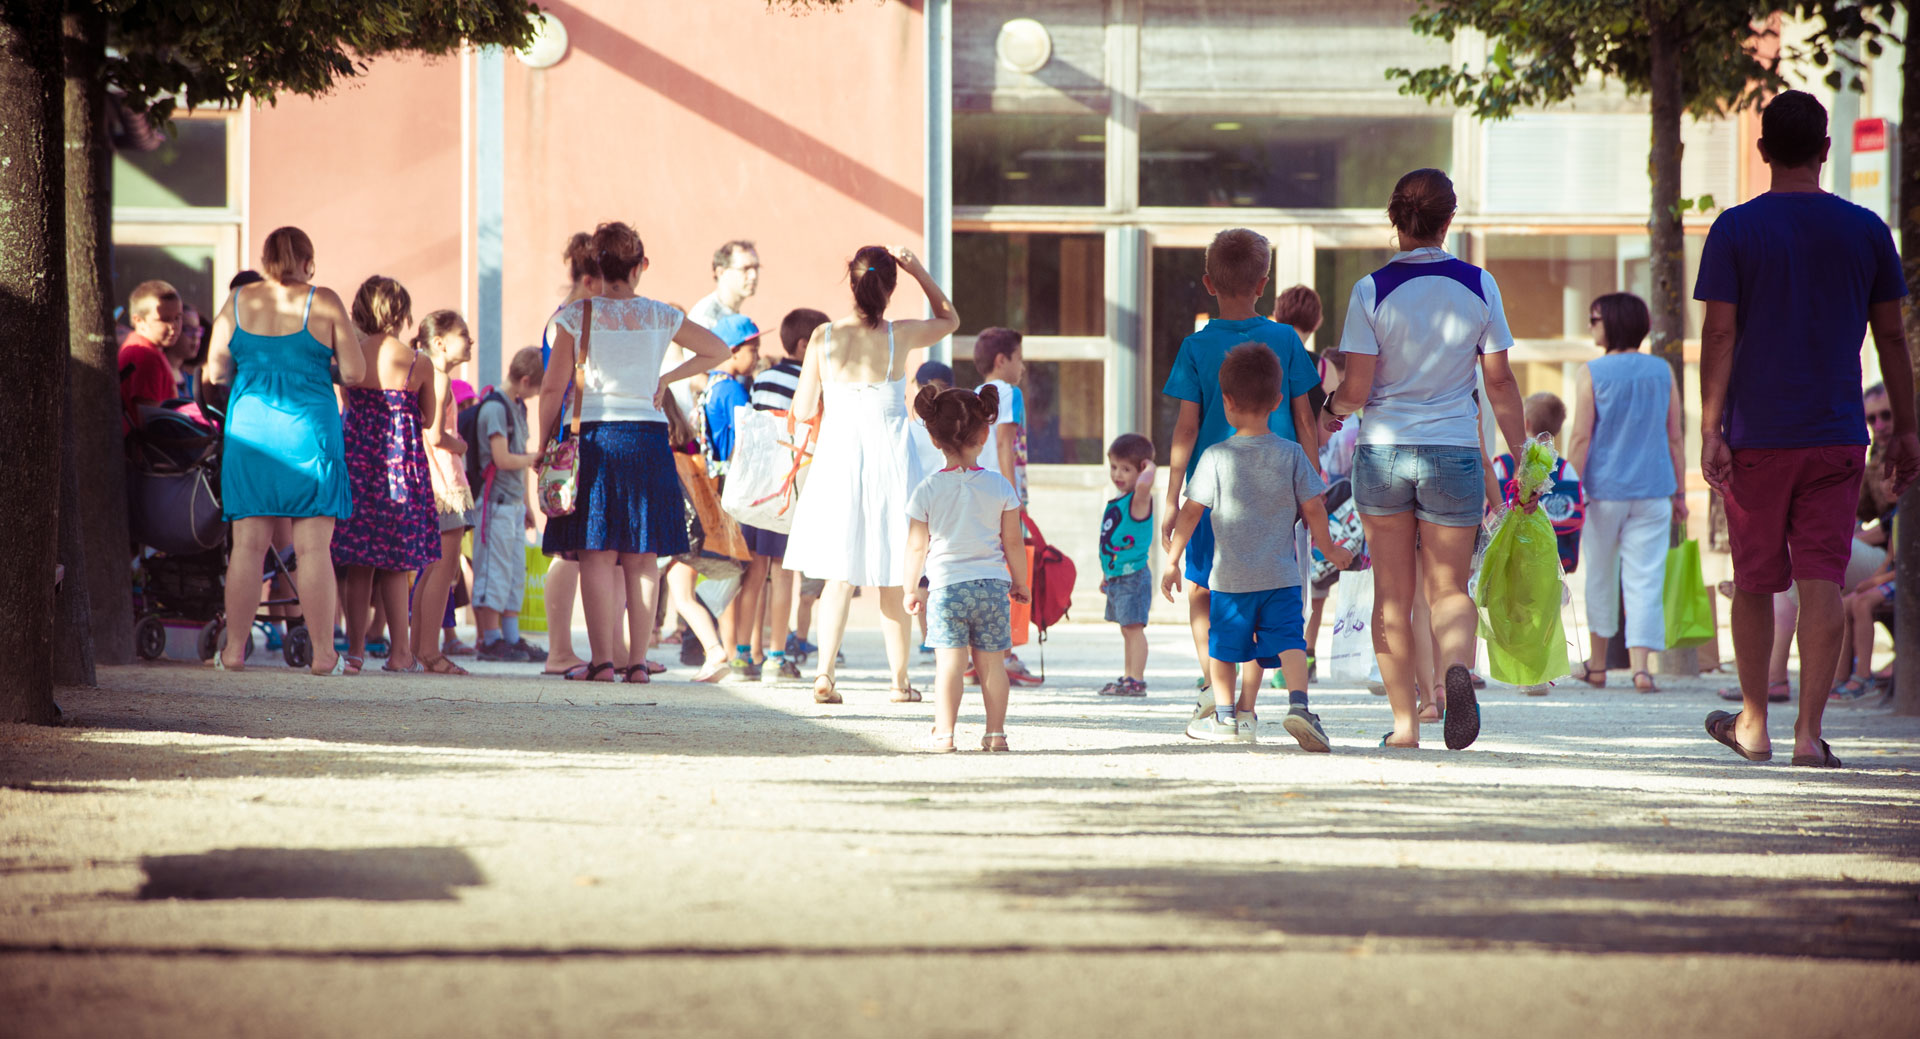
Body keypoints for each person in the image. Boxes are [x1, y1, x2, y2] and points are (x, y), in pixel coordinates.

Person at [1697, 90, 1920, 768]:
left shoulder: (1734, 230)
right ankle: (1809, 735)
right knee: (1821, 578)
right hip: (1836, 433)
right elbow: (1891, 337)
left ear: (1762, 151)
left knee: (1757, 580)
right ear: (1826, 150)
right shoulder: (1867, 230)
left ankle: (1756, 723)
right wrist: (1906, 430)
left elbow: (1720, 331)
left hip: (1756, 436)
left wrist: (1711, 426)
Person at [1324, 168, 1529, 752]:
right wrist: (1524, 459)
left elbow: (1357, 391)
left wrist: (1330, 408)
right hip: (1455, 452)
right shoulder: (1479, 284)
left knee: (1392, 593)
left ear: (1395, 220)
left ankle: (1407, 725)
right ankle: (1455, 670)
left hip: (1384, 450)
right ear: (1448, 220)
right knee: (1449, 588)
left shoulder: (1371, 290)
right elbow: (1500, 383)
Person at [538, 222, 731, 683]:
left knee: (596, 554)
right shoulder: (660, 315)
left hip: (594, 440)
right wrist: (667, 379)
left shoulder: (573, 317)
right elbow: (718, 350)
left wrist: (544, 444)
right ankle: (639, 663)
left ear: (597, 266)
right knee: (643, 556)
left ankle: (603, 662)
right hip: (648, 438)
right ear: (640, 266)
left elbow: (550, 388)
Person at [784, 245, 960, 704]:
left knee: (839, 573)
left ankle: (824, 673)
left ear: (852, 281)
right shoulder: (897, 335)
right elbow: (950, 320)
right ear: (890, 286)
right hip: (889, 455)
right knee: (891, 571)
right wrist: (918, 267)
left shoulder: (822, 336)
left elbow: (802, 409)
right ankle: (900, 682)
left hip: (839, 454)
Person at [1161, 229, 1322, 727]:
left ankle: (1215, 688)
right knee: (1261, 589)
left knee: (1204, 590)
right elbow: (1304, 420)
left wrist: (1172, 498)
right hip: (1277, 489)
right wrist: (1309, 485)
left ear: (1208, 282)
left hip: (1212, 489)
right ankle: (1247, 706)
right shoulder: (1286, 339)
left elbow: (1187, 427)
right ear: (1263, 283)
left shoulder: (1194, 346)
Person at [1163, 342, 1352, 749]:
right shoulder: (1293, 456)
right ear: (1279, 401)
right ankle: (1299, 705)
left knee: (1225, 648)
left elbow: (1191, 513)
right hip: (1281, 577)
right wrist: (1330, 550)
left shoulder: (1213, 458)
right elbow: (1315, 508)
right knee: (1289, 641)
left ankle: (1227, 717)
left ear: (1226, 403)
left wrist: (1173, 560)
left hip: (1229, 580)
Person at [203, 227, 363, 674]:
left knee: (247, 548)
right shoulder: (324, 300)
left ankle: (233, 651)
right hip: (309, 432)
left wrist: (259, 364)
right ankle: (323, 654)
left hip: (251, 433)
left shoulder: (237, 300)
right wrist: (310, 362)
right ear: (308, 259)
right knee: (314, 551)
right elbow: (353, 371)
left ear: (266, 256)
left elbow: (216, 369)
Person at [1562, 293, 1681, 693]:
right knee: (1645, 579)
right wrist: (1680, 494)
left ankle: (1597, 666)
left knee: (1599, 576)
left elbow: (1580, 437)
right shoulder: (1662, 371)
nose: (1591, 324)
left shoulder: (1592, 372)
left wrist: (1567, 489)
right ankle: (1641, 669)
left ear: (1611, 322)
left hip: (1602, 492)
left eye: (1594, 318)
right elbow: (1675, 437)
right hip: (1654, 492)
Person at [904, 385, 1030, 752]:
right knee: (992, 665)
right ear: (985, 434)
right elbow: (1013, 543)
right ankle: (995, 734)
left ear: (933, 437)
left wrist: (911, 588)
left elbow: (916, 545)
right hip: (992, 587)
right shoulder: (1000, 486)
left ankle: (944, 733)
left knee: (950, 665)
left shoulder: (926, 490)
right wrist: (1020, 582)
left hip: (946, 589)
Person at [331, 275, 439, 675]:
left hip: (358, 466)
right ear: (402, 313)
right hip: (399, 471)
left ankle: (355, 653)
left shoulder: (352, 357)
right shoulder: (417, 362)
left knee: (360, 565)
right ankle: (400, 654)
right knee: (396, 565)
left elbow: (348, 401)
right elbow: (427, 418)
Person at [736, 307, 827, 683]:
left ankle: (742, 655)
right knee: (784, 572)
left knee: (754, 572)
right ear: (806, 345)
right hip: (791, 484)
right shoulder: (814, 378)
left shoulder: (764, 376)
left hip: (759, 483)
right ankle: (776, 656)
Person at [539, 232, 603, 677]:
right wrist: (544, 444)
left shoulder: (568, 318)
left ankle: (605, 648)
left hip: (572, 434)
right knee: (568, 550)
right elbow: (553, 387)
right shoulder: (568, 320)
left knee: (585, 549)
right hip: (572, 437)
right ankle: (559, 648)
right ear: (589, 279)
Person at [466, 347, 544, 663]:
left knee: (514, 572)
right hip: (494, 504)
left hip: (511, 503)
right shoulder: (494, 409)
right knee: (493, 573)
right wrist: (534, 459)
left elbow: (518, 463)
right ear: (525, 380)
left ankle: (510, 637)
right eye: (537, 387)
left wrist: (526, 504)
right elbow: (502, 458)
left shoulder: (518, 407)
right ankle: (490, 638)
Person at [411, 309, 478, 676]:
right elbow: (435, 435)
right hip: (444, 482)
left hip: (433, 480)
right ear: (439, 342)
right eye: (463, 334)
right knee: (443, 567)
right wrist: (461, 445)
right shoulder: (439, 379)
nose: (470, 341)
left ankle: (419, 648)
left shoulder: (433, 376)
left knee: (433, 568)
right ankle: (429, 651)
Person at [700, 313, 763, 677]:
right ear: (732, 350)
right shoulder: (734, 391)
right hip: (737, 489)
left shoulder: (710, 387)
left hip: (717, 488)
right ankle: (737, 650)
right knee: (741, 570)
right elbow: (746, 442)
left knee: (730, 569)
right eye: (752, 348)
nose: (756, 356)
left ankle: (729, 648)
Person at [1097, 433, 1155, 697]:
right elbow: (1111, 542)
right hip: (1118, 577)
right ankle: (1129, 675)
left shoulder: (1138, 500)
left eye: (1127, 469)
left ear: (1141, 469)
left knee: (1134, 628)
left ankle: (1137, 680)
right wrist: (1106, 574)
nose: (1118, 474)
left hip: (1133, 577)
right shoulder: (1120, 500)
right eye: (1114, 467)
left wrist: (1150, 467)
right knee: (1126, 629)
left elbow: (1144, 485)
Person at [120, 280, 185, 431]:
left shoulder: (147, 348)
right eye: (165, 319)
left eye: (177, 318)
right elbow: (152, 422)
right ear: (138, 320)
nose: (174, 326)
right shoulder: (145, 356)